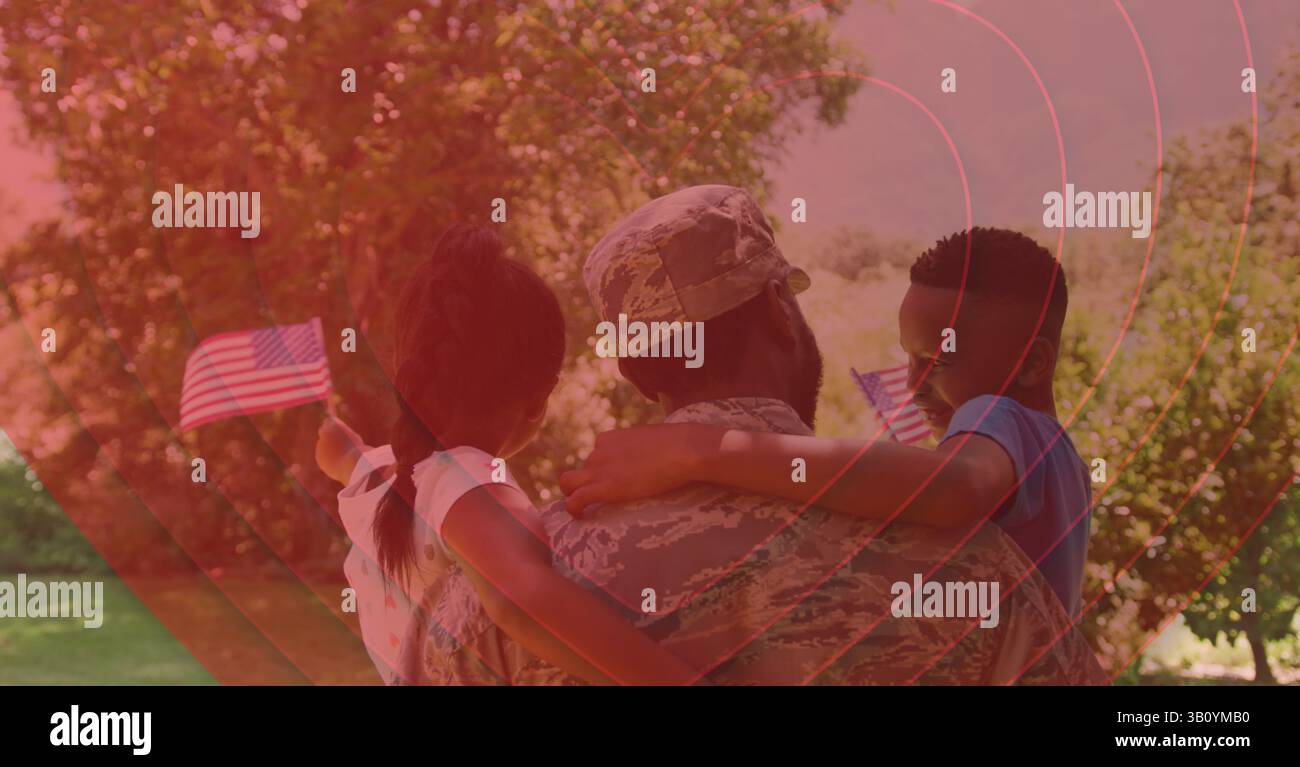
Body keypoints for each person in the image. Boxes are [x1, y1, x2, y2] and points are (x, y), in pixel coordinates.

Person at [531, 187, 1104, 684]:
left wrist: (700, 450)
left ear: (632, 371)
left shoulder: (998, 419)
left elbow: (953, 486)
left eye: (938, 361)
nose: (912, 385)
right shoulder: (1041, 465)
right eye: (911, 359)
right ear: (781, 309)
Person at [315, 224, 698, 685]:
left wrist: (334, 438)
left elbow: (341, 455)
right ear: (540, 397)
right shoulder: (468, 479)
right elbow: (519, 596)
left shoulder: (383, 478)